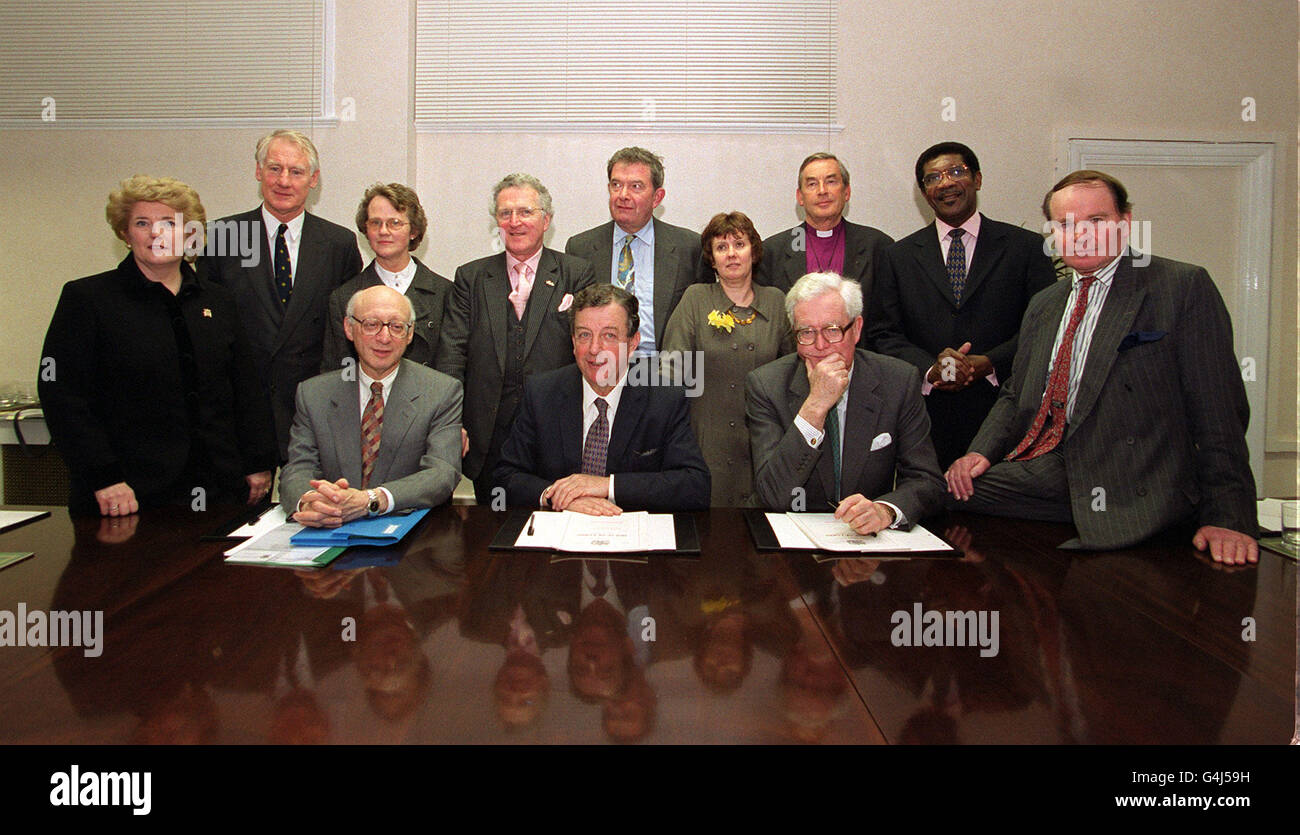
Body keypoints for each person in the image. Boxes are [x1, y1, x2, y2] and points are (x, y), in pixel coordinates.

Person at [945, 170, 1258, 564]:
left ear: (1125, 223)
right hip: (1046, 463)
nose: (1080, 234)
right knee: (945, 488)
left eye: (1096, 221)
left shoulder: (1180, 287)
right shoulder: (1045, 303)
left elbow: (1219, 411)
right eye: (1065, 224)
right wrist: (980, 453)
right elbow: (1015, 392)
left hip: (1135, 479)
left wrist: (1230, 517)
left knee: (939, 499)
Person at [39, 175, 276, 516]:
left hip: (219, 488)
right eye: (141, 223)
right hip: (127, 495)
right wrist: (103, 477)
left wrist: (258, 461)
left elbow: (246, 387)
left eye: (169, 222)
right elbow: (63, 397)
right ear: (125, 233)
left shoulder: (219, 301)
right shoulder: (88, 300)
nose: (156, 233)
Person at [867, 142, 1056, 467]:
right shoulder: (897, 256)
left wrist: (989, 362)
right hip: (926, 420)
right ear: (924, 193)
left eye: (956, 172)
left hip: (1006, 413)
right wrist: (931, 369)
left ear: (978, 179)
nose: (946, 183)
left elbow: (1046, 326)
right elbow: (884, 333)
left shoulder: (1026, 248)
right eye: (932, 178)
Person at [201, 129, 363, 461]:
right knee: (239, 512)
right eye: (274, 168)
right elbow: (208, 330)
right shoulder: (224, 237)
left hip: (313, 412)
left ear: (314, 179)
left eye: (296, 171)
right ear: (258, 172)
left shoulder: (339, 244)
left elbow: (348, 332)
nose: (284, 181)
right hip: (240, 412)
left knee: (313, 509)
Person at [435, 173, 596, 504]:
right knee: (488, 539)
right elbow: (452, 353)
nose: (514, 222)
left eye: (525, 212)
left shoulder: (576, 273)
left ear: (546, 219)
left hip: (558, 431)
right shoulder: (471, 277)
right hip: (488, 435)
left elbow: (592, 351)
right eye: (505, 213)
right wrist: (449, 423)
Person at [745, 273, 945, 533]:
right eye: (806, 332)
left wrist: (885, 510)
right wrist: (814, 407)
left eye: (832, 330)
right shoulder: (766, 385)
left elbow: (928, 480)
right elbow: (772, 495)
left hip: (871, 542)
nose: (820, 346)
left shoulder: (898, 380)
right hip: (792, 538)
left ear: (857, 329)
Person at [493, 284, 710, 513]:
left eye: (609, 335)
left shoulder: (664, 398)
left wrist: (607, 485)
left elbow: (695, 487)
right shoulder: (542, 393)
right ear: (573, 342)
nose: (595, 349)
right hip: (559, 535)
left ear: (633, 343)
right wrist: (557, 496)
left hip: (632, 538)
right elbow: (503, 478)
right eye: (584, 335)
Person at [281, 285, 462, 526]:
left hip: (409, 535)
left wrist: (371, 500)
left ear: (410, 334)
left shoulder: (441, 391)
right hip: (329, 528)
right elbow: (297, 469)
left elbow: (442, 474)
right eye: (371, 324)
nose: (384, 337)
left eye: (397, 327)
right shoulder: (314, 393)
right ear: (349, 328)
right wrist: (312, 502)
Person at [660, 212, 792, 506]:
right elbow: (670, 371)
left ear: (754, 251)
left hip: (764, 443)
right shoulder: (695, 299)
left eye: (739, 244)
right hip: (706, 441)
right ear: (711, 258)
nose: (731, 254)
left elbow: (794, 373)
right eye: (721, 247)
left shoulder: (777, 301)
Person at [565, 147, 705, 355]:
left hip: (663, 367)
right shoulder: (581, 248)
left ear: (657, 198)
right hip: (601, 362)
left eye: (635, 186)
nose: (623, 195)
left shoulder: (690, 247)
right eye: (616, 185)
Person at [321, 183, 449, 373]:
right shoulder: (344, 298)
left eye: (394, 223)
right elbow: (339, 374)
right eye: (375, 222)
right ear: (365, 229)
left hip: (429, 400)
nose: (383, 231)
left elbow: (451, 367)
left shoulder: (446, 293)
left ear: (413, 231)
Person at [758, 153, 893, 302]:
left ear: (846, 192)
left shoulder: (878, 247)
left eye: (831, 181)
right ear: (800, 197)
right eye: (812, 184)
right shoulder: (772, 252)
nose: (822, 191)